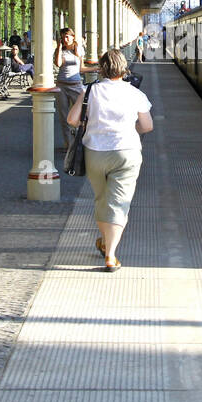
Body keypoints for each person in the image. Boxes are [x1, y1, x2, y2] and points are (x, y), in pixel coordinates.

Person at [67, 48, 153, 272]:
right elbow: (147, 126)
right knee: (119, 203)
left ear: (102, 68)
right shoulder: (135, 94)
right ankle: (110, 255)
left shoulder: (89, 91)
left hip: (95, 152)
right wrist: (128, 127)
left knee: (102, 199)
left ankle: (105, 243)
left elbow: (72, 120)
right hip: (127, 152)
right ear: (124, 68)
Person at [53, 27, 95, 149]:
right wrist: (59, 48)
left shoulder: (79, 50)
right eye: (63, 37)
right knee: (64, 116)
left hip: (76, 85)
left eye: (67, 36)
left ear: (72, 36)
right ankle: (69, 144)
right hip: (62, 86)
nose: (65, 39)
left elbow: (81, 69)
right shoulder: (60, 50)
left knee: (83, 113)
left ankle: (82, 140)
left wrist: (96, 69)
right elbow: (58, 64)